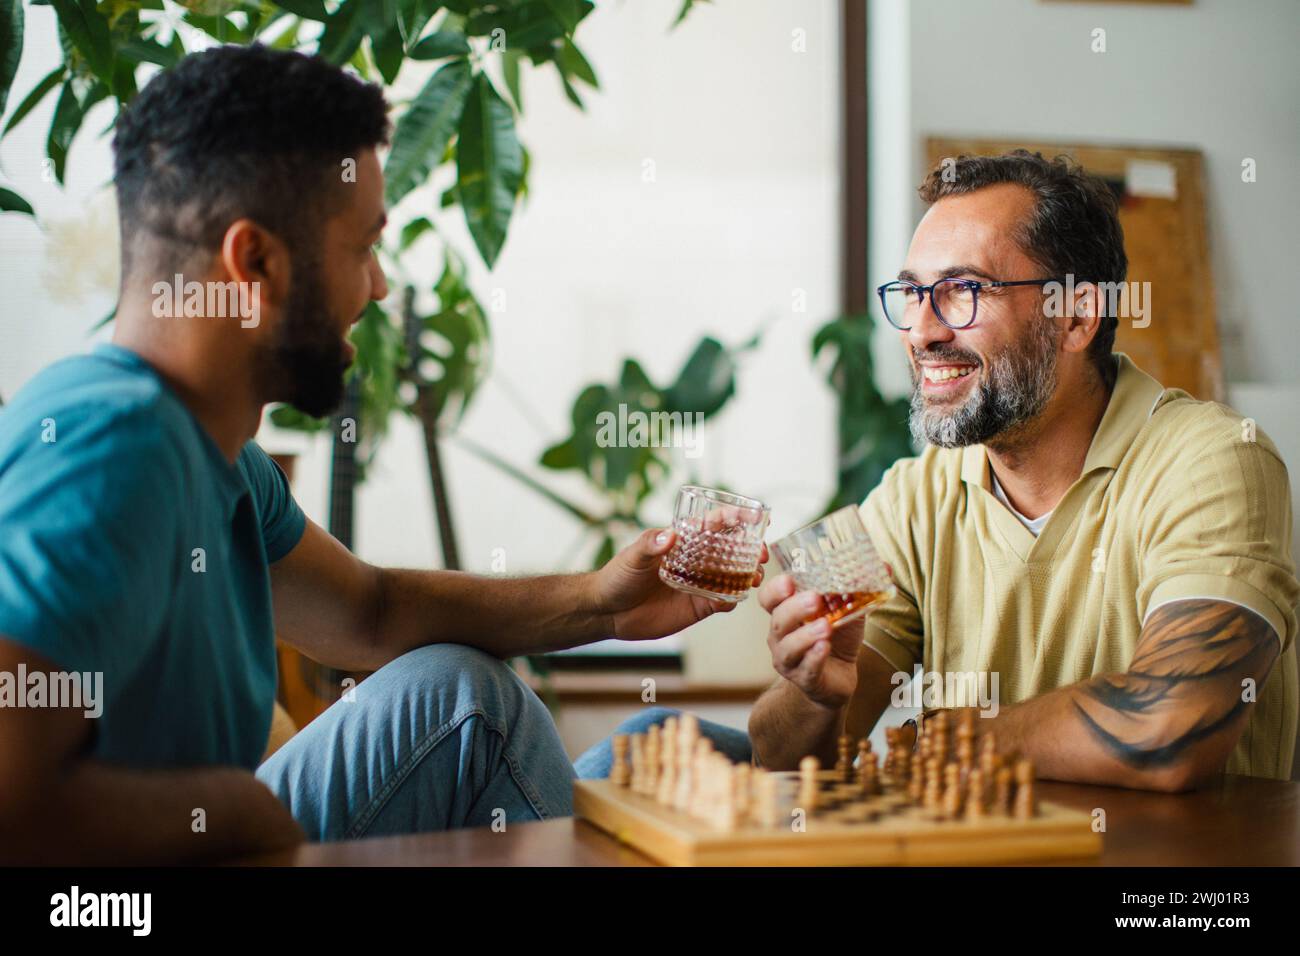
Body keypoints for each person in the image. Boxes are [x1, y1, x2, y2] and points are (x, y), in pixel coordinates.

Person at [0, 44, 760, 864]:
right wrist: (240, 813)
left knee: (663, 742)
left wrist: (603, 605)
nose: (380, 287)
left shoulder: (220, 461)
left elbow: (370, 613)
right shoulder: (111, 446)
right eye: (363, 247)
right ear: (254, 262)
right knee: (472, 702)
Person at [581, 150, 1299, 790]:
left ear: (1078, 318)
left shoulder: (1215, 459)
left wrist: (950, 746)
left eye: (964, 291)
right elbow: (780, 757)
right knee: (640, 744)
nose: (923, 330)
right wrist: (815, 691)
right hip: (978, 850)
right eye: (912, 294)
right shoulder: (910, 493)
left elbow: (1171, 726)